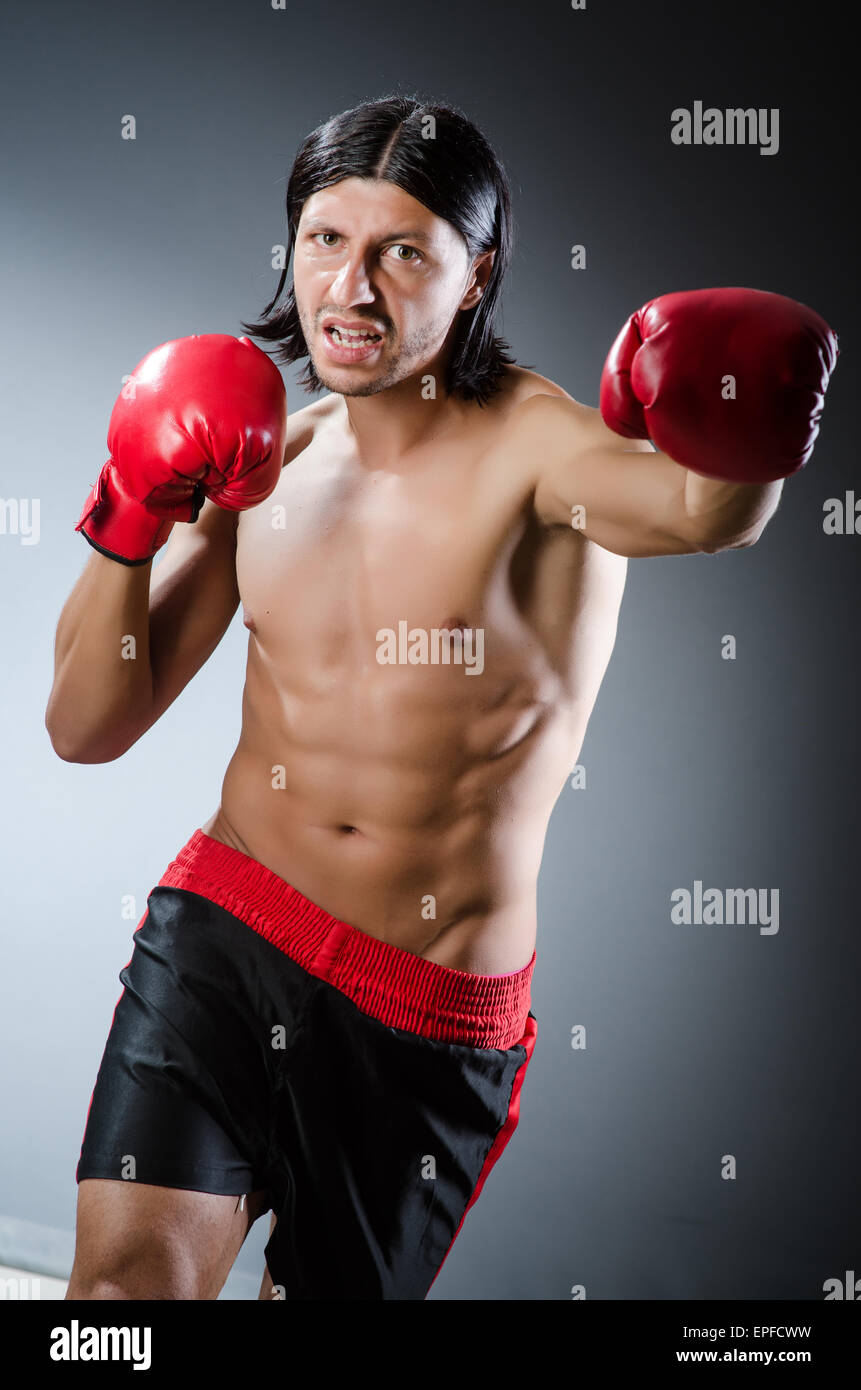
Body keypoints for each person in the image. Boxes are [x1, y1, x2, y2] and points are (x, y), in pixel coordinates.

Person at [46, 94, 837, 1301]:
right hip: (226, 937)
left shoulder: (542, 452)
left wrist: (748, 420)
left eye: (404, 252)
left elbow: (696, 511)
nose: (351, 287)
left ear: (477, 276)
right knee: (116, 1309)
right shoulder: (270, 460)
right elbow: (84, 724)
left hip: (424, 1011)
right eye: (327, 239)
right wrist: (130, 509)